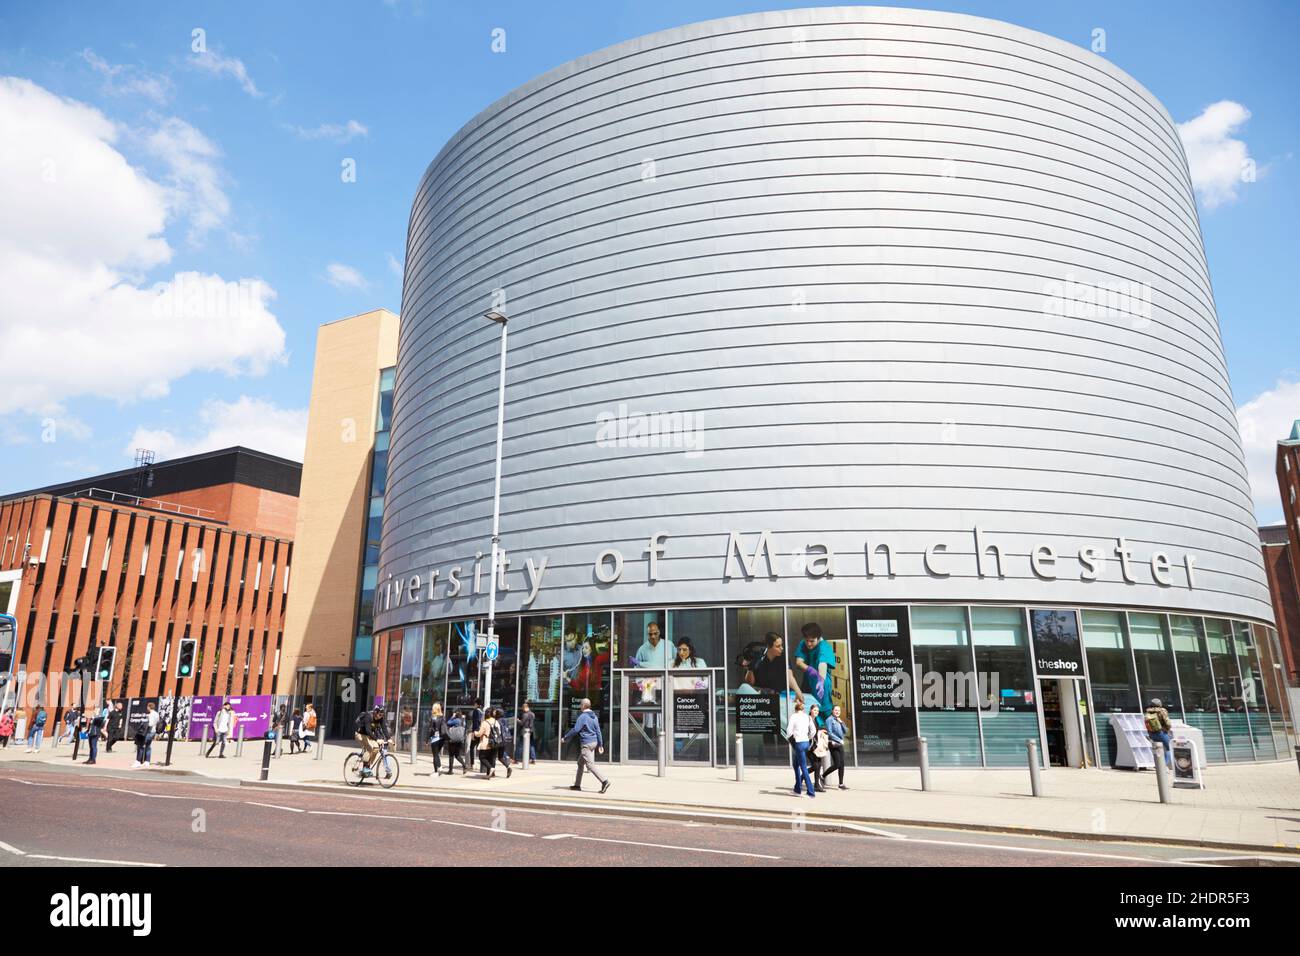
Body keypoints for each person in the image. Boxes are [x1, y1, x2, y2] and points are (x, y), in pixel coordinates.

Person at [563, 697, 610, 793]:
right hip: (594, 742)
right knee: (580, 763)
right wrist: (600, 744)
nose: (580, 706)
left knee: (590, 766)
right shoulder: (594, 716)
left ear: (583, 706)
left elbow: (576, 729)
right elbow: (598, 731)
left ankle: (604, 781)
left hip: (586, 744)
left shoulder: (583, 717)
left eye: (581, 705)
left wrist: (565, 737)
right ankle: (577, 785)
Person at [793, 623, 835, 725]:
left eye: (812, 641)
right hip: (808, 681)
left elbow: (823, 664)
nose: (809, 644)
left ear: (819, 638)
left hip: (821, 682)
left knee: (823, 710)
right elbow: (798, 662)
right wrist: (811, 670)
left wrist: (820, 680)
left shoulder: (824, 646)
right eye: (806, 640)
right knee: (806, 709)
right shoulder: (803, 643)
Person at [786, 697, 815, 799]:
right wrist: (809, 737)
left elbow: (789, 731)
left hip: (798, 742)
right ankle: (797, 788)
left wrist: (790, 738)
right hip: (806, 742)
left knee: (803, 767)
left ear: (796, 709)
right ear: (803, 709)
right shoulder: (808, 717)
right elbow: (813, 731)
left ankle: (811, 792)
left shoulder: (793, 716)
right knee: (795, 764)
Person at [354, 705, 388, 772]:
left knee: (376, 748)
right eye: (380, 714)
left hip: (369, 736)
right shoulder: (368, 716)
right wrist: (377, 739)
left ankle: (368, 766)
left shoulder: (380, 718)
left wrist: (389, 738)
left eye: (382, 715)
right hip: (360, 734)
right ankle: (364, 768)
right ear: (375, 712)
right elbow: (368, 730)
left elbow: (384, 728)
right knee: (369, 748)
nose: (381, 716)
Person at [1144, 697, 1173, 769]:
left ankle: (1157, 765)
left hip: (1152, 733)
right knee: (1169, 748)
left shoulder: (1148, 712)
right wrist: (1168, 729)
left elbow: (1146, 723)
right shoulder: (1162, 711)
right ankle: (1164, 766)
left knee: (1157, 749)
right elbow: (1167, 722)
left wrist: (1150, 733)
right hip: (1162, 732)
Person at [825, 704, 849, 789]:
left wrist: (841, 722)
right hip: (833, 744)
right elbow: (829, 733)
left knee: (842, 764)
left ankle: (841, 784)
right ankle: (822, 776)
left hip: (840, 744)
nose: (837, 712)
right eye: (835, 710)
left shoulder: (839, 720)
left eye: (838, 710)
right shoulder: (829, 720)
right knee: (837, 764)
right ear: (832, 711)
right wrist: (839, 740)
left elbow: (846, 731)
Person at [808, 703, 829, 793]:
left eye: (817, 711)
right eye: (814, 710)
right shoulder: (808, 720)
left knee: (818, 764)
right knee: (816, 765)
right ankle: (802, 777)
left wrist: (820, 730)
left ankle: (816, 784)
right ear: (810, 710)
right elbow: (808, 732)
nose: (816, 712)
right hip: (809, 746)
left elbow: (815, 731)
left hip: (815, 745)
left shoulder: (815, 720)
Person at [474, 707, 500, 779]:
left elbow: (479, 734)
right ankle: (489, 774)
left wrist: (475, 733)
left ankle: (490, 768)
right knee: (491, 758)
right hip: (495, 742)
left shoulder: (485, 723)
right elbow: (499, 732)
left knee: (482, 757)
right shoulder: (496, 721)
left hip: (486, 742)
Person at [443, 710, 469, 774]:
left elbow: (448, 723)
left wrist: (452, 717)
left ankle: (450, 770)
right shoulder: (463, 721)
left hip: (453, 739)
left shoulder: (456, 720)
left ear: (456, 715)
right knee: (457, 755)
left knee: (451, 755)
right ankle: (464, 765)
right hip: (460, 740)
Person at [493, 707, 514, 778]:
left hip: (498, 740)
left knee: (493, 756)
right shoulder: (505, 720)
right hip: (505, 740)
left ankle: (492, 772)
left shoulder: (496, 721)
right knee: (500, 757)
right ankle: (508, 767)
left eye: (495, 712)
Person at [427, 702, 446, 773]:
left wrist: (427, 739)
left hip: (435, 738)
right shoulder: (442, 716)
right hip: (441, 739)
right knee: (436, 755)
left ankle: (439, 767)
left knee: (435, 755)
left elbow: (431, 729)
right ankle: (436, 770)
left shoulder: (433, 717)